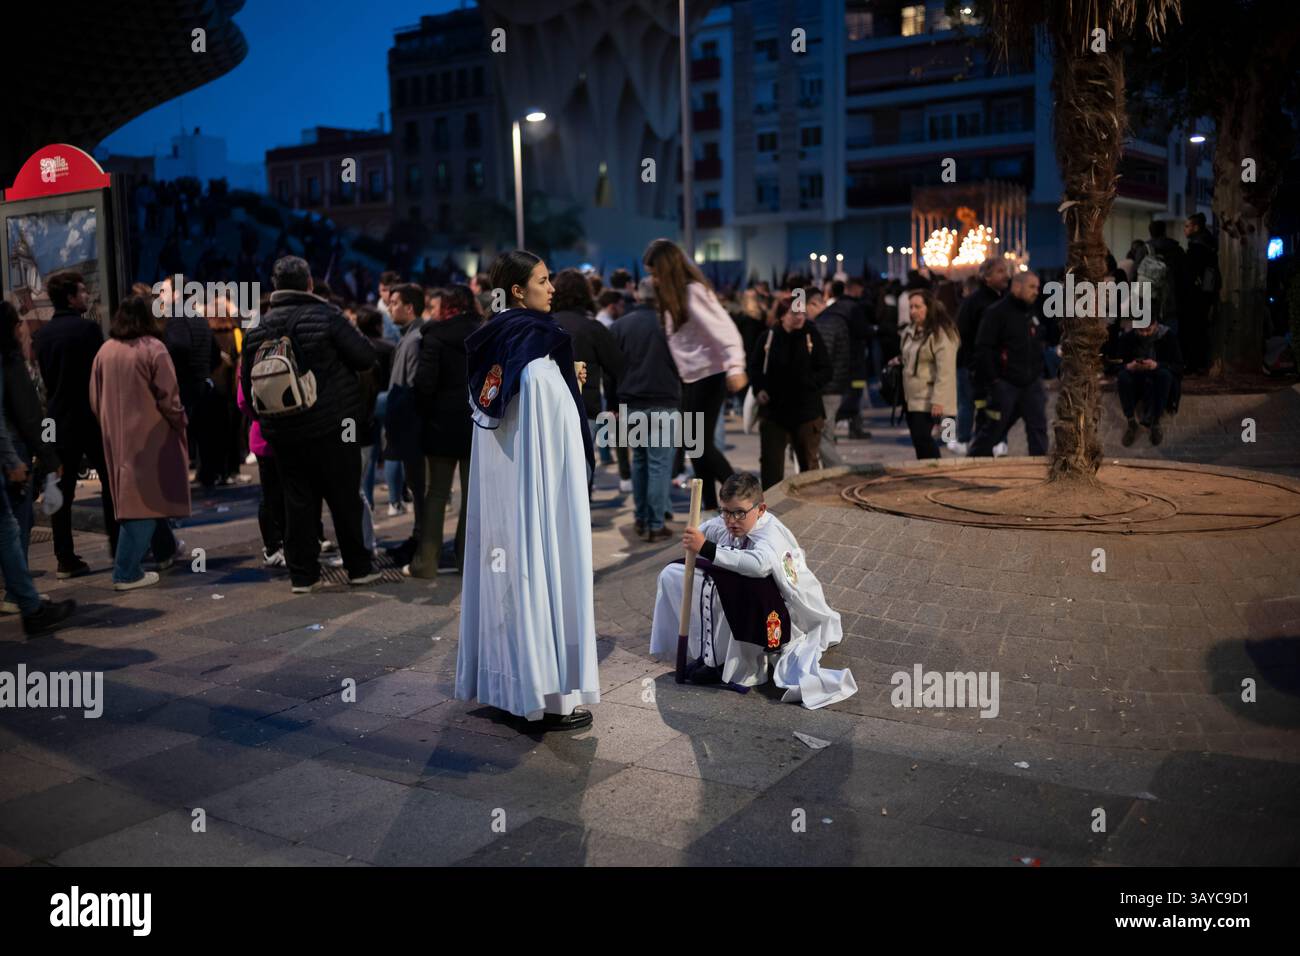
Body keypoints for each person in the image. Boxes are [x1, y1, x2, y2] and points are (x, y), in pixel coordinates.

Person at [456, 250, 598, 732]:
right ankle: (543, 697)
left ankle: (505, 691)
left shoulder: (495, 340)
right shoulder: (538, 347)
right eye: (543, 280)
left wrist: (565, 382)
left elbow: (507, 410)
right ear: (518, 291)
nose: (552, 288)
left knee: (504, 586)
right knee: (538, 579)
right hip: (537, 502)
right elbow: (555, 428)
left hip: (502, 500)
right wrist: (569, 388)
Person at [649, 472, 855, 708]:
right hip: (749, 592)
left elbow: (760, 564)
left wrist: (705, 547)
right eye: (725, 511)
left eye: (739, 513)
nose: (731, 520)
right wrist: (695, 536)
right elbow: (705, 530)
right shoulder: (728, 521)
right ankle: (708, 654)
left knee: (728, 589)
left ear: (761, 508)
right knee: (673, 575)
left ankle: (734, 666)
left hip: (782, 608)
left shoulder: (770, 533)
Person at [240, 256, 380, 593]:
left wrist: (272, 421)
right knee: (344, 498)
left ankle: (303, 575)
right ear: (309, 284)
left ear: (275, 287)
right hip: (334, 425)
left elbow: (248, 387)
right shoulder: (328, 316)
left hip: (284, 431)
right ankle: (359, 568)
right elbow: (365, 357)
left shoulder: (258, 328)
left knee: (297, 501)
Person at [89, 296, 189, 590]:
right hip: (151, 436)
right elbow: (169, 397)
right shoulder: (153, 349)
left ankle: (166, 551)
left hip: (116, 436)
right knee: (145, 503)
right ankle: (126, 571)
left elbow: (94, 398)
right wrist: (180, 421)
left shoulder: (105, 351)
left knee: (141, 495)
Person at [643, 239, 747, 512]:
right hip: (689, 380)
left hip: (709, 377)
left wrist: (736, 367)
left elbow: (726, 330)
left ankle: (746, 499)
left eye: (655, 273)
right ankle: (712, 509)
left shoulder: (693, 292)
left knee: (700, 445)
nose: (652, 280)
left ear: (667, 269)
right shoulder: (673, 296)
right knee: (696, 449)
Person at [34, 272, 120, 576]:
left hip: (58, 419)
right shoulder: (89, 330)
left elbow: (46, 378)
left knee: (61, 489)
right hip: (90, 417)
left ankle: (64, 557)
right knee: (110, 484)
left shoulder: (42, 335)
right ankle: (119, 548)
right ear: (71, 297)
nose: (87, 296)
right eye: (82, 292)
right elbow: (100, 375)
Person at [408, 284, 478, 578]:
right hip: (476, 423)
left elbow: (424, 383)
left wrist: (425, 412)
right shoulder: (483, 334)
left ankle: (427, 562)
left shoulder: (433, 336)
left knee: (436, 493)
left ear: (448, 306)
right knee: (472, 496)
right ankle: (467, 560)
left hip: (440, 423)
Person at [610, 276, 680, 543]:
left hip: (631, 402)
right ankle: (655, 523)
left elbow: (612, 369)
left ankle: (640, 517)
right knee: (659, 465)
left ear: (638, 295)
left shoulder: (620, 326)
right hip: (664, 402)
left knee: (639, 461)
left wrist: (613, 405)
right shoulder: (671, 325)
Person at [748, 296, 832, 490]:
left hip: (806, 413)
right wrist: (759, 388)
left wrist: (809, 384)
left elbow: (826, 369)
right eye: (794, 313)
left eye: (802, 312)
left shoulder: (811, 335)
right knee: (771, 467)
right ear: (782, 316)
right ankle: (771, 512)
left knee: (808, 468)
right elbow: (754, 368)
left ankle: (809, 509)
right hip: (774, 414)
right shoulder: (768, 337)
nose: (800, 317)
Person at [550, 269, 626, 482]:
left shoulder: (544, 324)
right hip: (585, 405)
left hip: (547, 406)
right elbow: (618, 367)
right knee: (581, 469)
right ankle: (579, 514)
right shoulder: (592, 328)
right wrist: (614, 402)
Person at [969, 270, 1048, 458]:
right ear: (1016, 287)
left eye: (1037, 287)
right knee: (993, 429)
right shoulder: (996, 312)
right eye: (1031, 287)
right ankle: (975, 463)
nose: (1036, 291)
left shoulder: (1032, 312)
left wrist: (1038, 372)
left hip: (1031, 384)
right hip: (1005, 384)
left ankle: (1040, 472)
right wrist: (995, 380)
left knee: (1038, 429)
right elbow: (983, 348)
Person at [382, 283, 429, 567]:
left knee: (420, 488)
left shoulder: (415, 339)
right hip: (410, 428)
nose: (390, 308)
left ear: (409, 308)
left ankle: (422, 540)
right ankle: (419, 537)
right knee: (417, 488)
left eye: (395, 303)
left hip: (412, 430)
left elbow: (410, 388)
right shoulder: (409, 337)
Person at [890, 289, 958, 460]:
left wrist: (939, 401)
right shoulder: (910, 332)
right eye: (911, 307)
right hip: (911, 396)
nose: (913, 311)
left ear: (929, 307)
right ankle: (926, 475)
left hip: (928, 396)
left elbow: (946, 370)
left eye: (917, 307)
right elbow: (911, 355)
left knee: (924, 438)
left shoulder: (940, 334)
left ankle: (936, 472)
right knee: (918, 440)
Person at [953, 258, 1009, 453]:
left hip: (996, 366)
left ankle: (996, 442)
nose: (1006, 275)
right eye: (1000, 271)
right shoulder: (973, 302)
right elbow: (962, 334)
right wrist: (972, 363)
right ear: (986, 277)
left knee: (997, 405)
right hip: (972, 365)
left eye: (1006, 271)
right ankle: (964, 441)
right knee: (970, 404)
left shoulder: (1005, 299)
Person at [1117, 318, 1184, 447]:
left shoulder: (1167, 336)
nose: (1145, 334)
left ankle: (1155, 422)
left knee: (1165, 376)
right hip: (1136, 374)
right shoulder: (1128, 337)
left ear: (1156, 325)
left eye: (1148, 330)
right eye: (1141, 331)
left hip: (1157, 372)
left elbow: (1178, 366)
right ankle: (1131, 422)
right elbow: (1115, 364)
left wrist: (1157, 365)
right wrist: (1128, 366)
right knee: (1123, 377)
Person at [810, 286, 851, 467]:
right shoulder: (834, 319)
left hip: (828, 388)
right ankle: (831, 476)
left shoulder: (824, 323)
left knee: (820, 438)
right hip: (835, 386)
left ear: (814, 304)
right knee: (826, 436)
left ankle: (840, 473)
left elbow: (822, 358)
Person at [1182, 212, 1220, 374]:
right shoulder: (1209, 245)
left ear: (1196, 227)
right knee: (1201, 330)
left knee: (1194, 331)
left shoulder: (1196, 248)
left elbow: (1189, 274)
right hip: (1206, 294)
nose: (1184, 230)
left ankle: (1194, 364)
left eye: (1187, 226)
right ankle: (1200, 363)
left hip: (1195, 297)